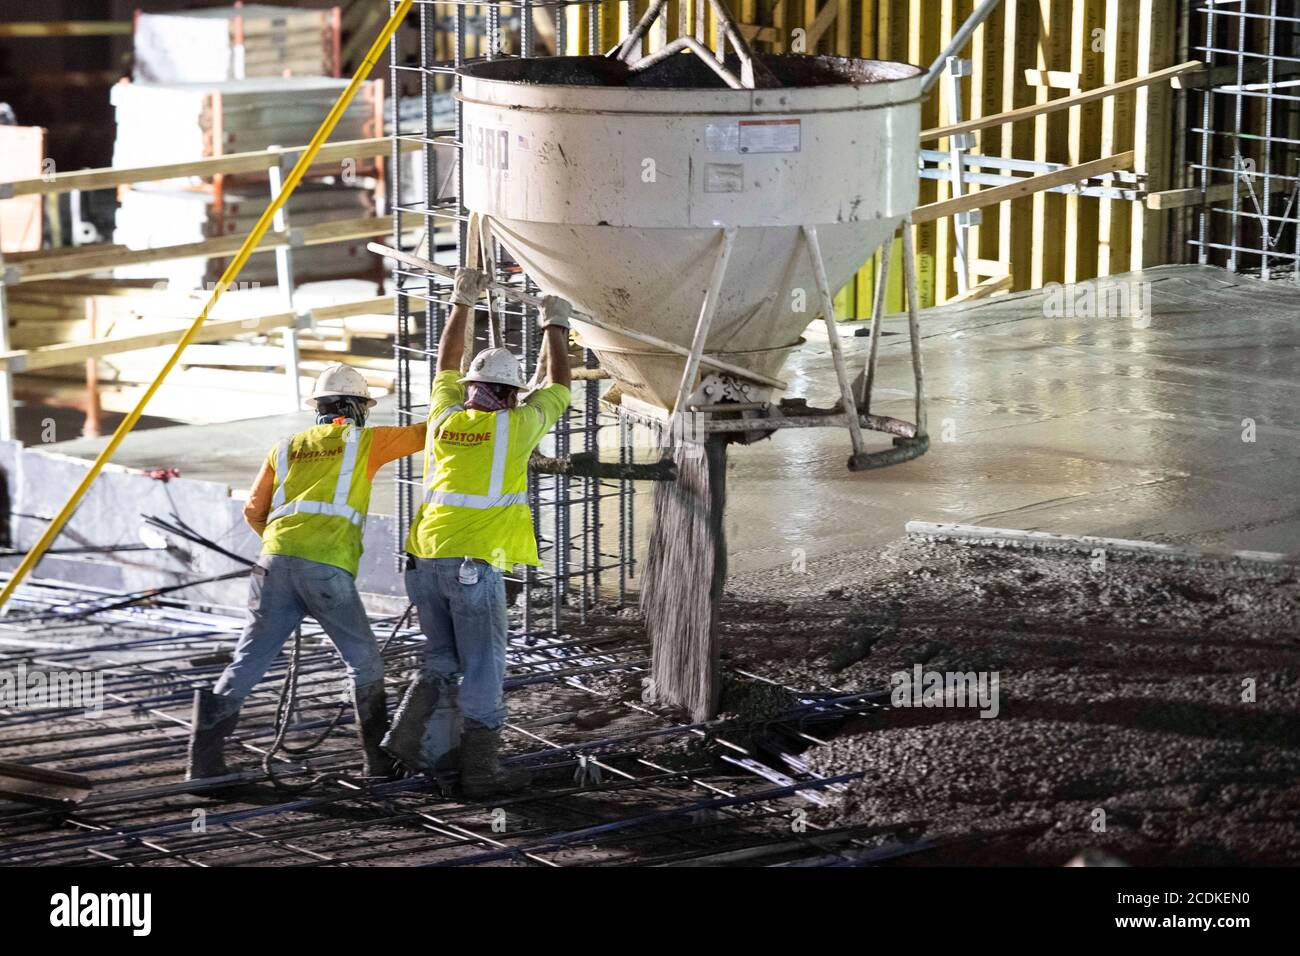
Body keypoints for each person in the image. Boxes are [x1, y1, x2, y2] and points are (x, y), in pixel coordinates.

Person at [382, 266, 572, 798]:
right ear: (511, 394)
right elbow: (557, 386)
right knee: (485, 669)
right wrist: (555, 324)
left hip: (423, 563)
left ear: (470, 388)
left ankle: (402, 740)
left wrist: (461, 301)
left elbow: (445, 362)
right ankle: (482, 771)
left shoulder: (443, 418)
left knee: (442, 658)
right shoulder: (515, 428)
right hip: (472, 570)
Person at [186, 363, 427, 781]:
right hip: (326, 567)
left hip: (273, 563)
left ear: (317, 406)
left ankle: (202, 767)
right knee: (364, 664)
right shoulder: (364, 442)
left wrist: (284, 548)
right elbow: (428, 434)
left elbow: (253, 510)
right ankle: (377, 763)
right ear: (357, 408)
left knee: (246, 662)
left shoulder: (285, 447)